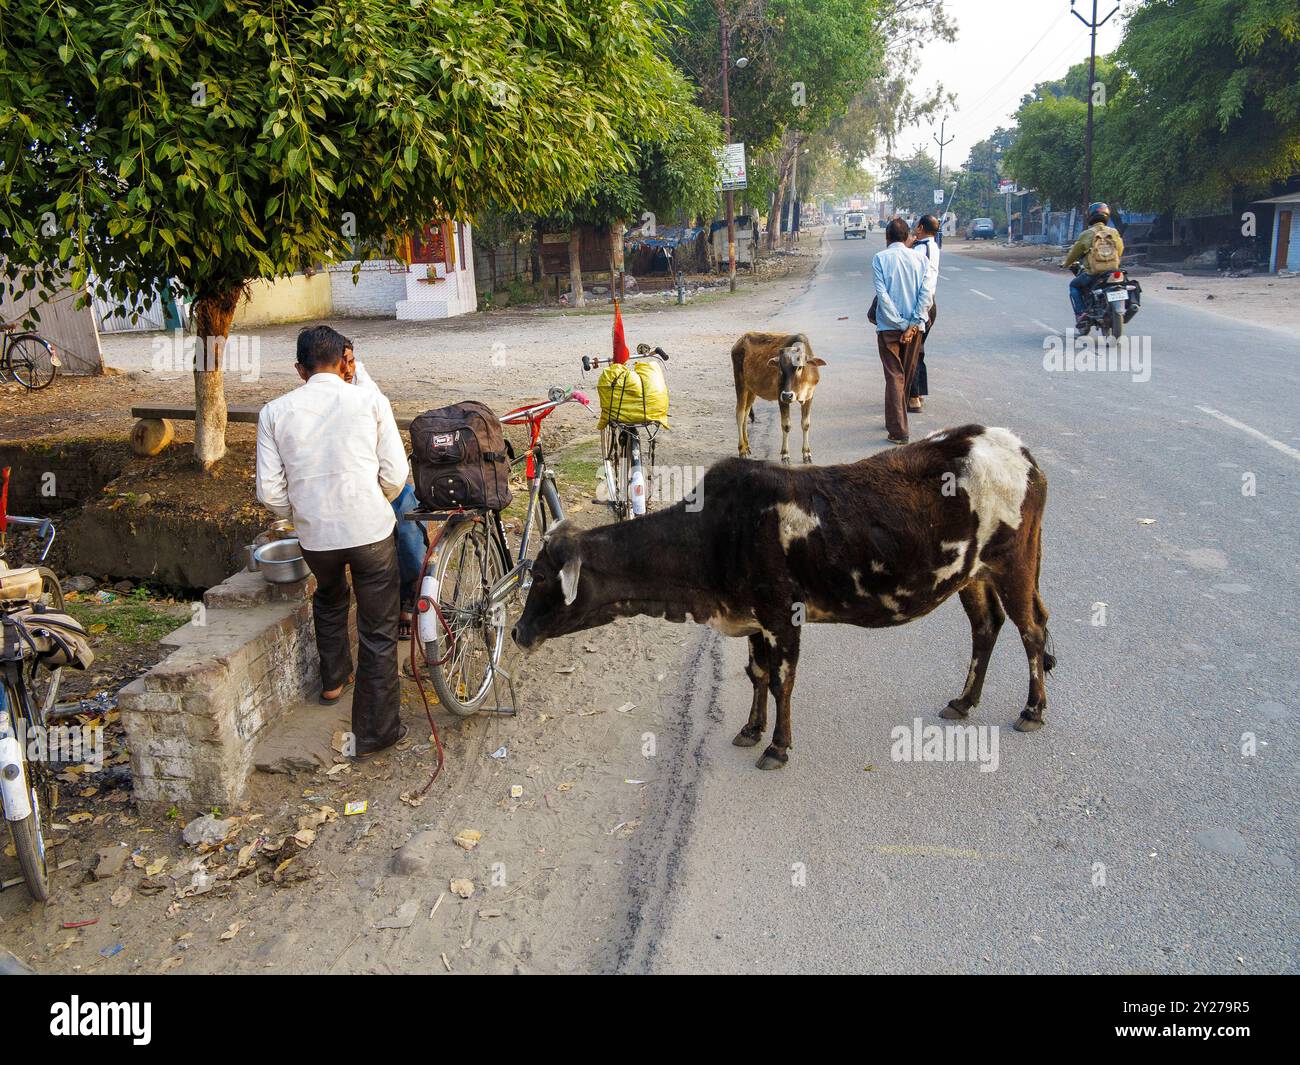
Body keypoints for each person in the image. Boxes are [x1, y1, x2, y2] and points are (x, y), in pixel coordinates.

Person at [256, 325, 409, 756]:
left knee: (329, 595)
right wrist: (369, 503)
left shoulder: (274, 412)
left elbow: (269, 493)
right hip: (371, 534)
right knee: (377, 633)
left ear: (300, 369)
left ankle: (333, 681)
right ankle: (377, 733)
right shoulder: (370, 400)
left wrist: (304, 513)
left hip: (316, 538)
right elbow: (395, 475)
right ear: (345, 362)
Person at [342, 347, 426, 640]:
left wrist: (384, 497)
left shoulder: (369, 394)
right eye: (343, 363)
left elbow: (392, 469)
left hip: (384, 483)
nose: (348, 368)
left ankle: (409, 597)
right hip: (347, 488)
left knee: (408, 525)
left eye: (351, 361)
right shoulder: (316, 398)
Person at [871, 217, 933, 444]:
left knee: (894, 377)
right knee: (903, 376)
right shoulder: (920, 258)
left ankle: (898, 431)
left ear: (887, 238)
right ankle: (896, 423)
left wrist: (899, 324)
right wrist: (913, 325)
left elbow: (883, 297)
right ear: (908, 237)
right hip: (914, 329)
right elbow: (926, 295)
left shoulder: (880, 258)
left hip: (889, 328)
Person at [1064, 202, 1124, 328]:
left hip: (1094, 272)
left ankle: (1081, 313)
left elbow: (1075, 253)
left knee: (1074, 285)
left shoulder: (1087, 234)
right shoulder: (1113, 232)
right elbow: (1120, 250)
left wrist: (1066, 264)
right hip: (1113, 271)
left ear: (1090, 217)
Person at [908, 214, 942, 414]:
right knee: (918, 350)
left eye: (915, 227)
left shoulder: (920, 249)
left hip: (922, 304)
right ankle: (919, 392)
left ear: (920, 227)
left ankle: (913, 397)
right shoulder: (933, 246)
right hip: (931, 303)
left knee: (912, 352)